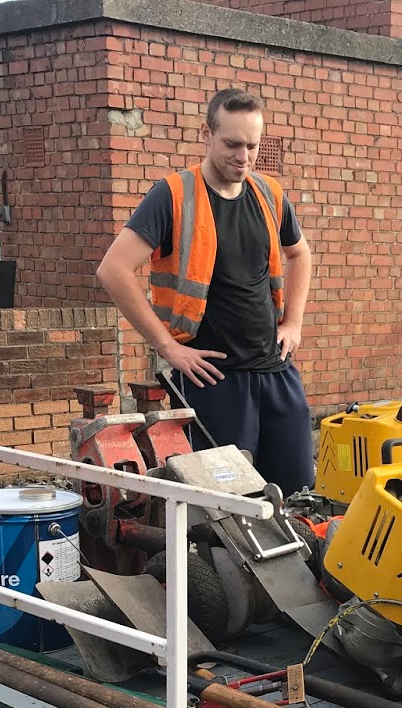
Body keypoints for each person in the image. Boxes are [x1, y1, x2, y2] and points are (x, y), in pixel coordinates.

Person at [98, 87, 316, 496]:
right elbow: (113, 270)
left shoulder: (270, 194)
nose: (244, 156)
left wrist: (295, 321)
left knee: (298, 492)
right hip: (213, 378)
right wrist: (167, 347)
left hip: (275, 370)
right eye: (232, 144)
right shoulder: (174, 195)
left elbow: (300, 255)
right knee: (225, 505)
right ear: (206, 134)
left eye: (252, 145)